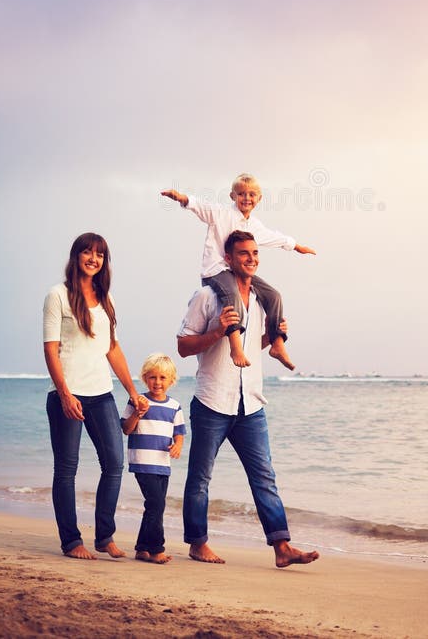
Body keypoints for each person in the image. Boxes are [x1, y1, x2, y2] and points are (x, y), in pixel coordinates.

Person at [177, 229, 320, 568]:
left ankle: (282, 547)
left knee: (264, 477)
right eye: (244, 253)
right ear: (228, 259)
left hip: (250, 402)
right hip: (212, 400)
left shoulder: (261, 299)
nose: (252, 258)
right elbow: (183, 346)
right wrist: (216, 332)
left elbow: (253, 346)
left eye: (255, 253)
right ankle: (198, 543)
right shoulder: (207, 297)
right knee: (200, 477)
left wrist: (274, 335)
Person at [43, 232, 142, 560]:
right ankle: (71, 541)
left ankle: (104, 536)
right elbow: (51, 349)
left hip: (101, 394)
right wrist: (64, 393)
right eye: (87, 252)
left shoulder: (105, 299)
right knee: (66, 469)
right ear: (76, 257)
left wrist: (131, 389)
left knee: (115, 463)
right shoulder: (57, 295)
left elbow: (112, 349)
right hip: (67, 395)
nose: (93, 258)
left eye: (99, 254)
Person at [162, 172, 315, 371]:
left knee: (274, 295)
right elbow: (200, 206)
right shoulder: (220, 214)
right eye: (241, 194)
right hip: (216, 271)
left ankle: (277, 344)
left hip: (239, 272)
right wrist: (181, 197)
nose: (247, 198)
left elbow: (273, 237)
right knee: (233, 294)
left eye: (252, 195)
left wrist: (296, 246)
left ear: (259, 199)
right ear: (232, 196)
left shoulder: (254, 226)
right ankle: (235, 345)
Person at [121, 353, 186, 564]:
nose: (157, 382)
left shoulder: (174, 406)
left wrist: (177, 446)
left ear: (171, 380)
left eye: (162, 378)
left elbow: (179, 432)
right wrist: (138, 413)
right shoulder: (137, 401)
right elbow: (126, 429)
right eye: (152, 377)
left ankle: (142, 548)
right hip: (142, 461)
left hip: (162, 464)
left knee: (153, 505)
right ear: (145, 378)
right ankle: (157, 548)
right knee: (157, 504)